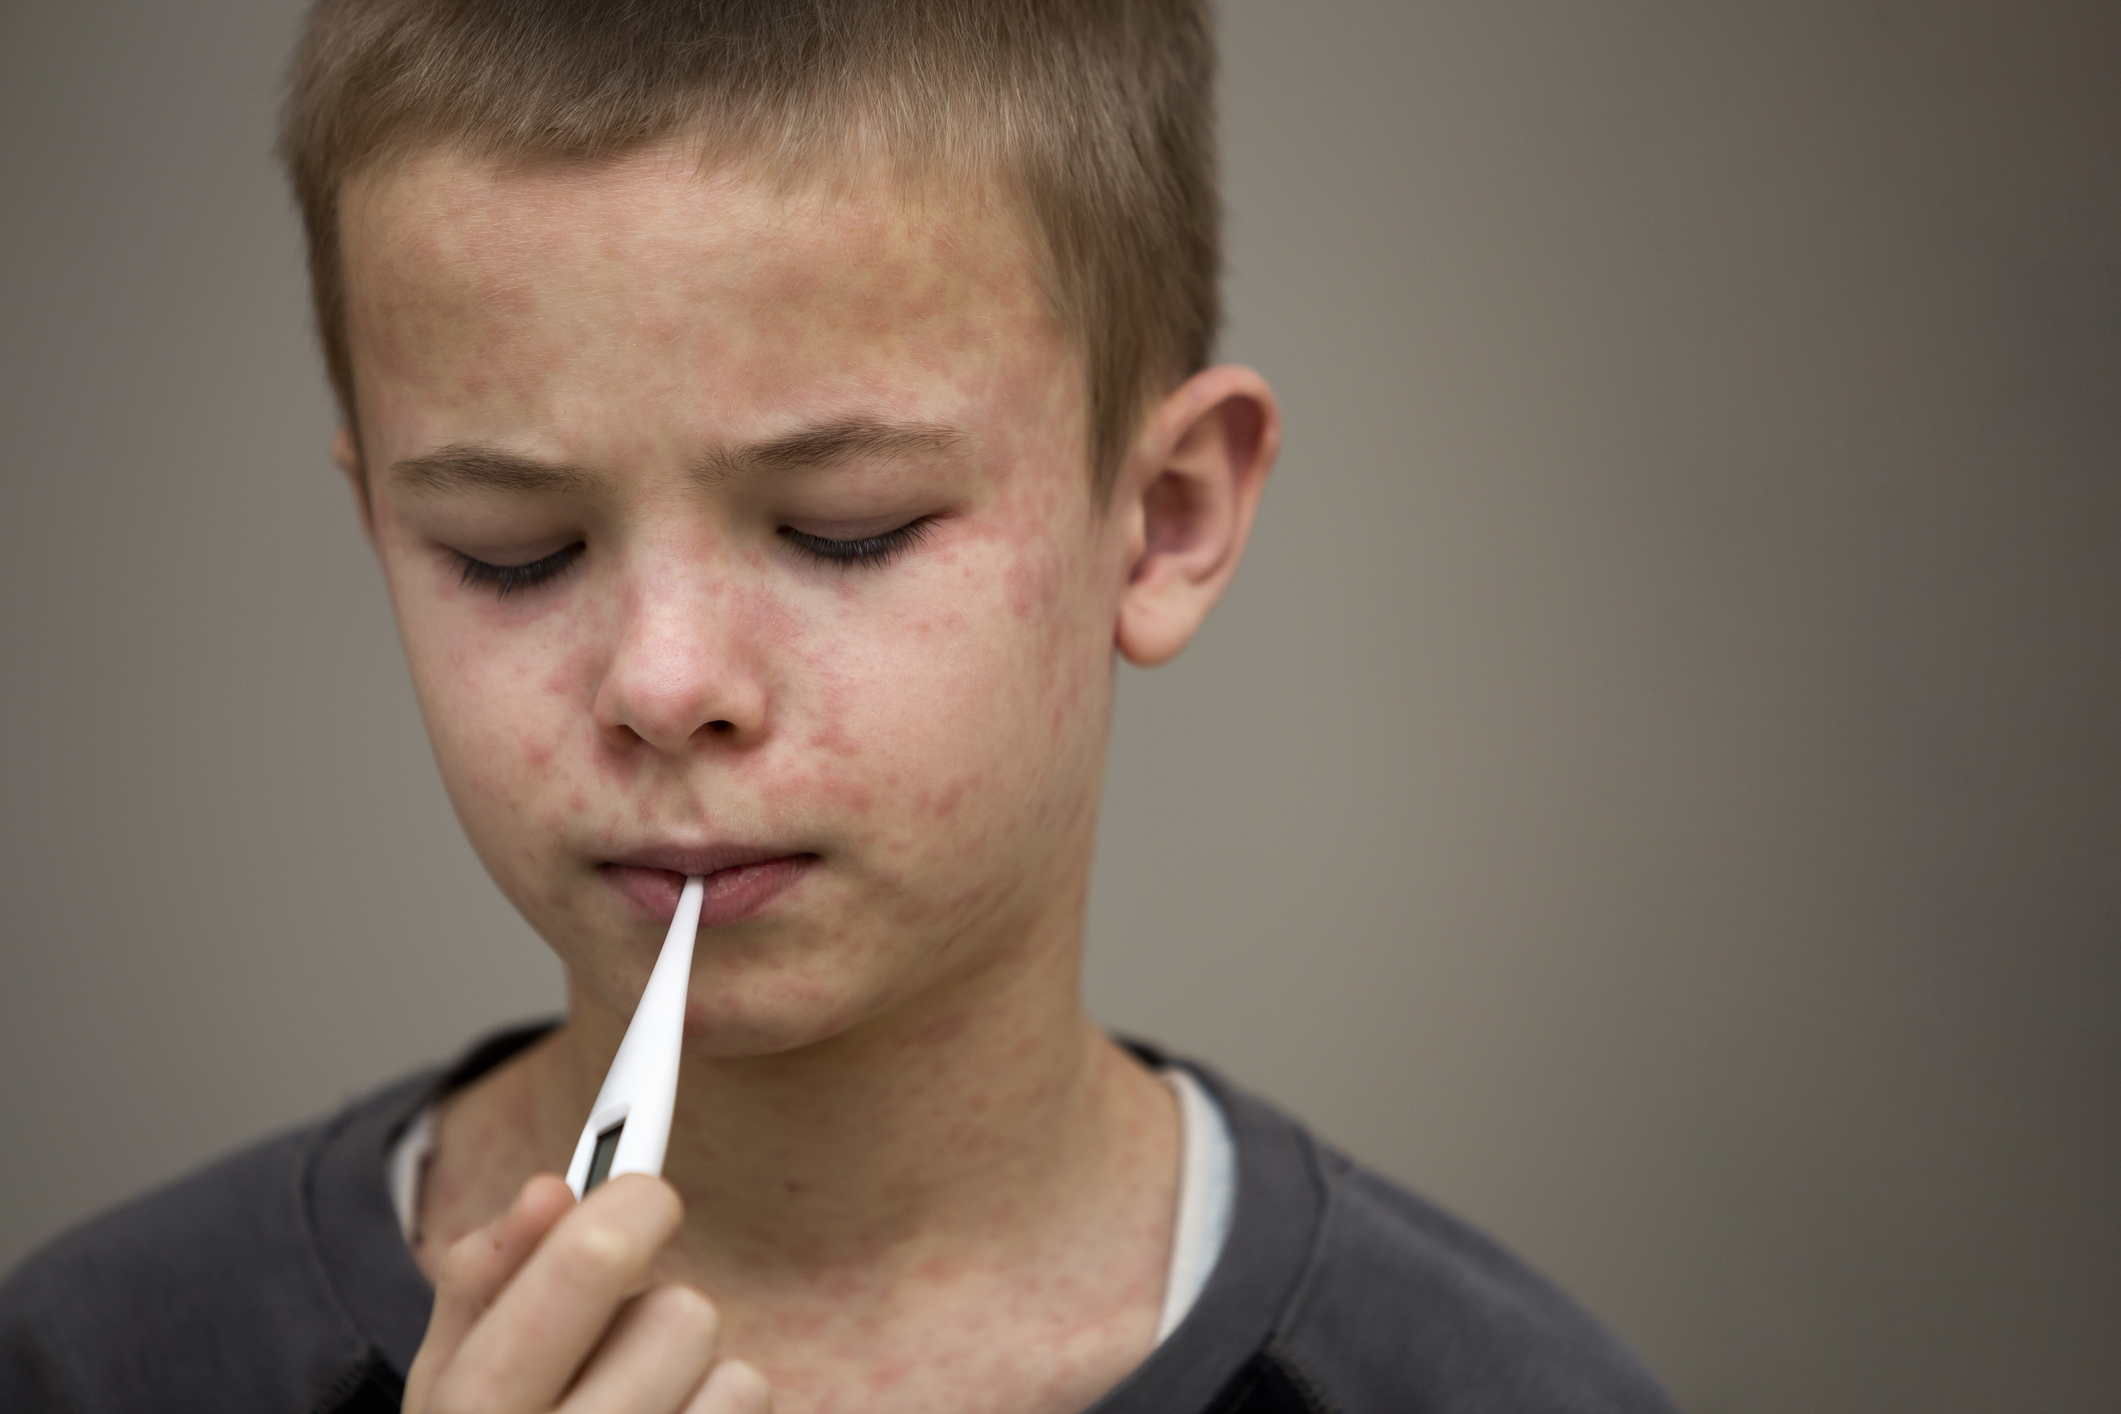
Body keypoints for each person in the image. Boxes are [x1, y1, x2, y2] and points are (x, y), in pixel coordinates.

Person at [0, 3, 1676, 1411]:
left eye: (842, 529)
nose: (663, 686)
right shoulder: (101, 1359)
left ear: (1161, 517)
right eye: (512, 552)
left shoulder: (1500, 1388)